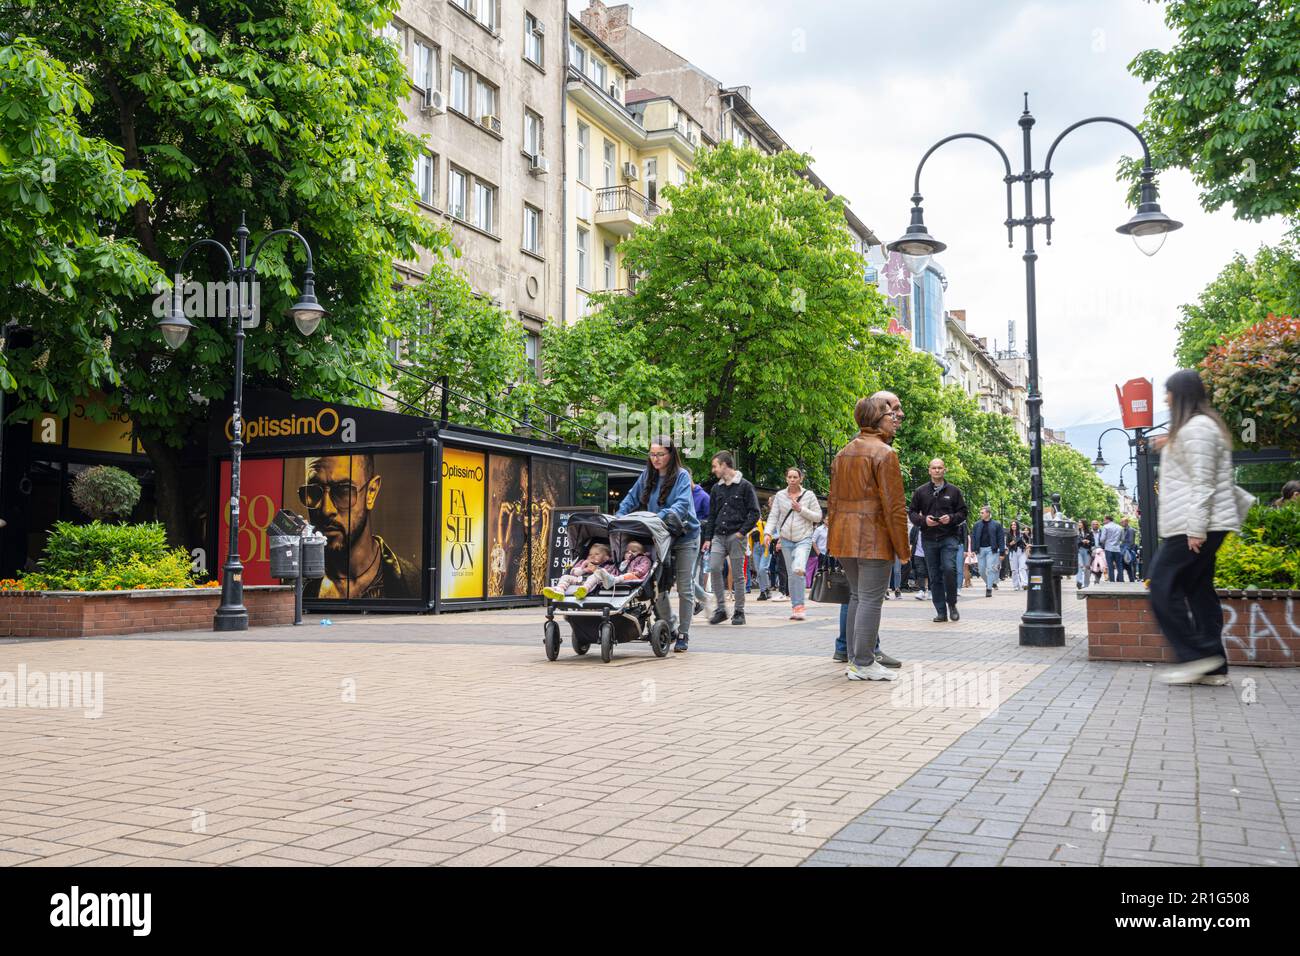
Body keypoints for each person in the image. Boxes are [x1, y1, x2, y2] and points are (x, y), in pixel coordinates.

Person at [1148, 370, 1250, 685]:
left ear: (1180, 395)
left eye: (1168, 392)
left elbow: (1204, 484)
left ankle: (1197, 655)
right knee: (1198, 590)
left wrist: (1196, 529)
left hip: (1194, 526)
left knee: (1162, 587)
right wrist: (1170, 442)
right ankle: (1214, 667)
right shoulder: (1195, 429)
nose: (1165, 399)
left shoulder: (1198, 429)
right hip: (1200, 524)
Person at [827, 394, 909, 682]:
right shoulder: (885, 453)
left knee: (857, 596)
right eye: (890, 415)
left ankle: (856, 659)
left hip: (845, 536)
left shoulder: (843, 453)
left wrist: (832, 540)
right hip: (873, 536)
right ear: (876, 419)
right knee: (871, 599)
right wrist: (903, 547)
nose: (895, 420)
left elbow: (833, 501)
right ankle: (863, 662)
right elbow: (894, 506)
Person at [617, 436, 701, 652]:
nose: (656, 459)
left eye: (660, 454)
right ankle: (670, 627)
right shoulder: (647, 475)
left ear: (671, 455)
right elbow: (630, 498)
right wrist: (618, 518)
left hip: (684, 535)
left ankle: (684, 633)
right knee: (656, 586)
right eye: (652, 454)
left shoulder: (682, 476)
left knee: (684, 587)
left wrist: (655, 518)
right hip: (659, 535)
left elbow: (682, 505)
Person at [301, 453, 418, 599]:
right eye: (313, 491)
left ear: (371, 493)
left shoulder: (414, 584)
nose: (326, 510)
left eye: (343, 491)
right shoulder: (297, 582)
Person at [702, 451, 760, 627]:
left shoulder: (745, 486)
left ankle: (739, 611)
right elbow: (712, 515)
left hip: (736, 535)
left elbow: (755, 512)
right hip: (719, 535)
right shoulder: (716, 488)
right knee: (713, 567)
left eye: (715, 466)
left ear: (725, 465)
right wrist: (708, 538)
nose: (713, 470)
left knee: (737, 574)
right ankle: (721, 609)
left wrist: (742, 532)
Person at [909, 459, 967, 622]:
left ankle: (952, 604)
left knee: (949, 569)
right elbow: (912, 513)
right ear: (929, 470)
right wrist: (923, 520)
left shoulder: (954, 491)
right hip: (928, 538)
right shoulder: (921, 491)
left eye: (939, 468)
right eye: (934, 468)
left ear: (944, 470)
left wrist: (951, 518)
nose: (936, 470)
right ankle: (941, 611)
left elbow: (963, 512)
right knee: (934, 576)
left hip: (949, 537)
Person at [764, 467, 823, 621]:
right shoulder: (780, 496)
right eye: (789, 477)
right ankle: (797, 607)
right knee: (793, 574)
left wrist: (801, 509)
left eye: (795, 477)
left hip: (804, 537)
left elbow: (818, 517)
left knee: (798, 567)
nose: (792, 479)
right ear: (786, 479)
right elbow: (773, 516)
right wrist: (767, 533)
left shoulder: (808, 495)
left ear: (800, 479)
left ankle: (800, 568)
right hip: (786, 539)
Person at [542, 542, 617, 601]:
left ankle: (583, 590)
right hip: (580, 579)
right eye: (590, 554)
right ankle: (559, 590)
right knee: (565, 577)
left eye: (597, 554)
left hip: (596, 583)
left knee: (595, 576)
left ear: (606, 557)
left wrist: (596, 570)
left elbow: (608, 576)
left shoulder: (607, 565)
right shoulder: (583, 562)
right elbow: (573, 572)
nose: (592, 556)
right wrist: (583, 570)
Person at [970, 505, 1006, 598]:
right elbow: (973, 537)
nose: (980, 514)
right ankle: (990, 583)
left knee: (990, 569)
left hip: (991, 550)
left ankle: (989, 589)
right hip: (980, 550)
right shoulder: (977, 525)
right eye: (981, 512)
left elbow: (1001, 539)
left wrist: (1002, 552)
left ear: (988, 513)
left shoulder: (996, 524)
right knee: (981, 571)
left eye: (982, 512)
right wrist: (973, 549)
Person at [691, 480, 711, 612]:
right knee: (689, 575)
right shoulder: (684, 494)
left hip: (699, 538)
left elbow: (710, 519)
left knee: (690, 575)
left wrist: (708, 539)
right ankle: (702, 599)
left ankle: (700, 600)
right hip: (689, 537)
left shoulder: (703, 496)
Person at [1098, 514, 1124, 581]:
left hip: (1108, 548)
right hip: (1117, 549)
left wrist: (1105, 542)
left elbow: (1102, 539)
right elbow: (1122, 539)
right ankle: (1121, 580)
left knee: (1110, 566)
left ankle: (1112, 580)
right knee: (1119, 565)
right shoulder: (1120, 527)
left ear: (1107, 520)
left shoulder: (1105, 527)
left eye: (1104, 520)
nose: (1104, 521)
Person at [1006, 519, 1028, 590]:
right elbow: (1007, 544)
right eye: (1012, 525)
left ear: (1017, 526)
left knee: (1022, 568)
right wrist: (1011, 543)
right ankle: (1016, 585)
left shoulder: (1021, 534)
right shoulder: (1009, 534)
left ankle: (1025, 584)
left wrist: (1025, 546)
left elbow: (1026, 542)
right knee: (1014, 570)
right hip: (1013, 552)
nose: (1013, 526)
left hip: (1021, 552)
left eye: (1014, 524)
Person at [910, 523, 929, 601]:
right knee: (920, 571)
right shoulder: (916, 527)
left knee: (930, 572)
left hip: (930, 553)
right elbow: (911, 539)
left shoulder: (932, 525)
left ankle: (931, 591)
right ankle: (922, 590)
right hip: (918, 553)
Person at [1076, 519, 1095, 590]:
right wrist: (1081, 541)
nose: (1079, 524)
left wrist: (1088, 541)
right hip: (1079, 550)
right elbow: (1075, 542)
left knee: (1087, 567)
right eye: (1078, 523)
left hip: (1087, 551)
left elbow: (1093, 543)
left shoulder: (1089, 532)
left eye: (1080, 523)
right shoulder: (1077, 532)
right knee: (1080, 566)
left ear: (1084, 524)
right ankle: (1079, 582)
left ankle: (1086, 584)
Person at [1120, 517, 1138, 582]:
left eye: (1122, 521)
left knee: (1128, 566)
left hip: (1127, 551)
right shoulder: (1122, 530)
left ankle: (1130, 580)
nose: (1121, 523)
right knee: (1126, 566)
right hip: (1123, 550)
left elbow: (1131, 542)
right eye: (1121, 522)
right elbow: (1122, 540)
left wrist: (1124, 550)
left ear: (1127, 522)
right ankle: (1121, 579)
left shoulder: (1131, 530)